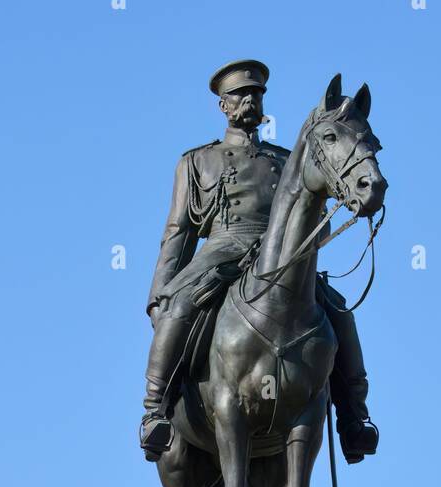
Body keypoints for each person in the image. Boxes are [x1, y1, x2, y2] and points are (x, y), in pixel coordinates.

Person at [140, 59, 378, 463]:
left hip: (278, 257)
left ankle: (354, 418)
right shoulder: (197, 161)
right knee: (180, 306)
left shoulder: (286, 159)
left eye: (256, 94)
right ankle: (154, 410)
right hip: (222, 249)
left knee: (338, 310)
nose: (249, 100)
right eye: (240, 95)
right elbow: (178, 231)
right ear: (223, 106)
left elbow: (311, 222)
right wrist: (159, 295)